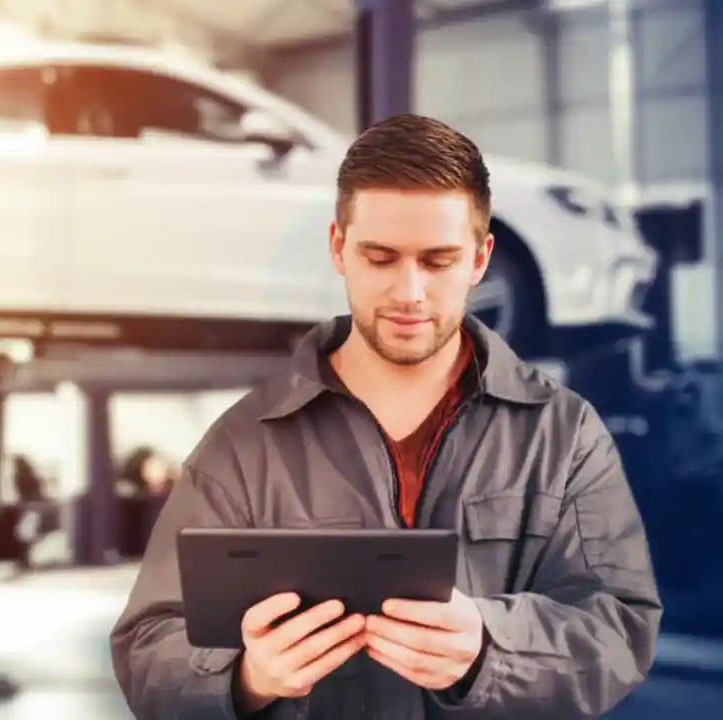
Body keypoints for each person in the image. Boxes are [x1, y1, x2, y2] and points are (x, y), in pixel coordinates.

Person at [109, 114, 661, 719]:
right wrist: (247, 678)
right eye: (381, 257)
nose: (409, 292)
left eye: (438, 261)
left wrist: (488, 647)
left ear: (480, 259)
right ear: (338, 248)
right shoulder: (246, 443)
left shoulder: (562, 435)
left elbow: (620, 628)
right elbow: (145, 647)